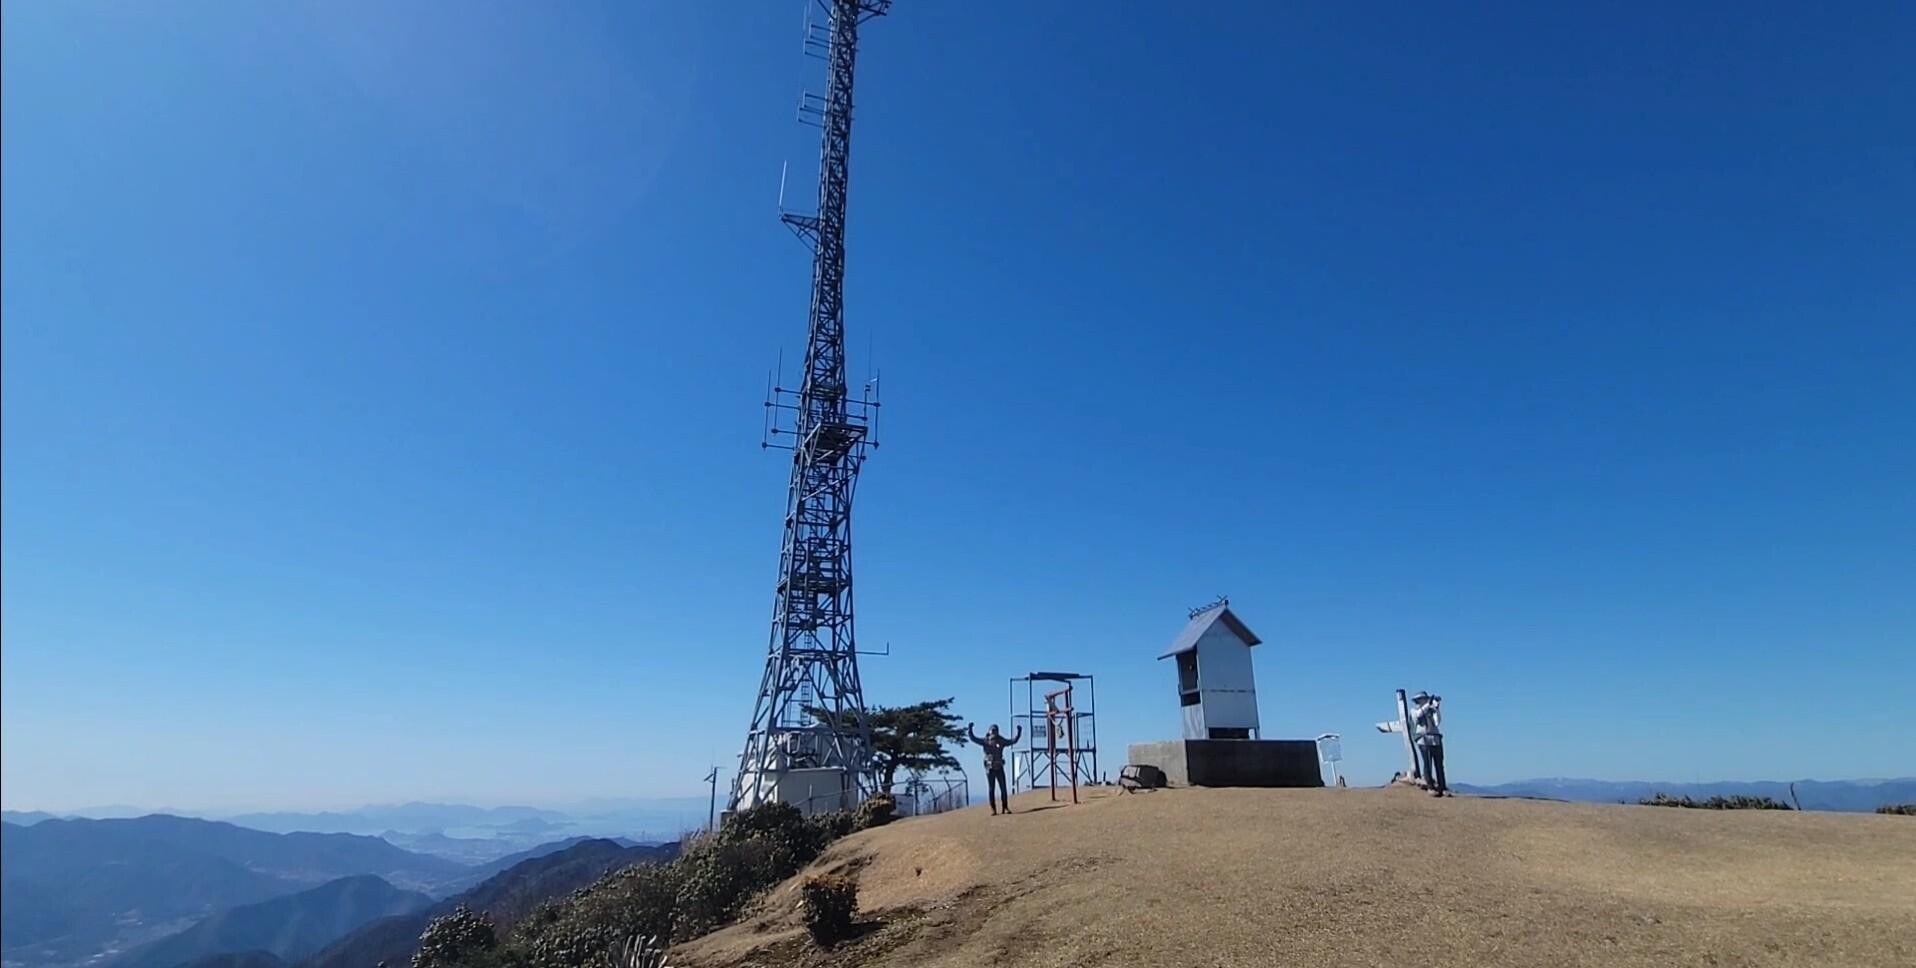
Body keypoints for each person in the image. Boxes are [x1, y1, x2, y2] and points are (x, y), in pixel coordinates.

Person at [967, 721, 1022, 815]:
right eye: (992, 730)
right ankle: (993, 809)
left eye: (995, 730)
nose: (994, 732)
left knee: (1003, 789)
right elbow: (973, 739)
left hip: (999, 767)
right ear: (989, 731)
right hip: (990, 769)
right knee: (991, 789)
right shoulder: (985, 741)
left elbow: (1012, 741)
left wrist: (1018, 733)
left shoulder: (1001, 740)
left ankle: (1005, 807)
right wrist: (970, 730)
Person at [1412, 692, 1447, 797]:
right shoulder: (1414, 711)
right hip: (1424, 739)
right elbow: (1418, 715)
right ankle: (1430, 787)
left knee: (1439, 764)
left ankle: (1442, 787)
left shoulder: (1431, 711)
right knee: (1427, 764)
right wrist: (1428, 705)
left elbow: (1437, 722)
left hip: (1435, 739)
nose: (1421, 701)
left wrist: (1437, 709)